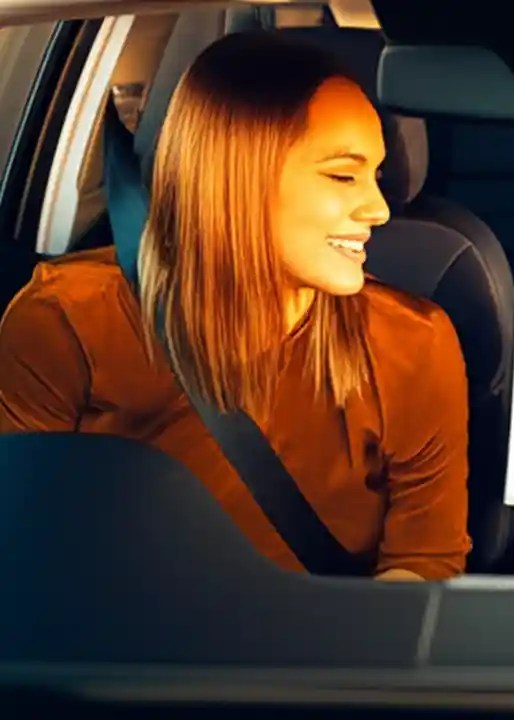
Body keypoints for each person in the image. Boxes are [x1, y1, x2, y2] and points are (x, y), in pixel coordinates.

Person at [0, 32, 471, 581]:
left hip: (320, 652)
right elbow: (20, 544)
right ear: (239, 177)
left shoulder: (413, 344)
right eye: (344, 175)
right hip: (113, 650)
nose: (379, 209)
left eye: (377, 176)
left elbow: (422, 562)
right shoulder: (69, 322)